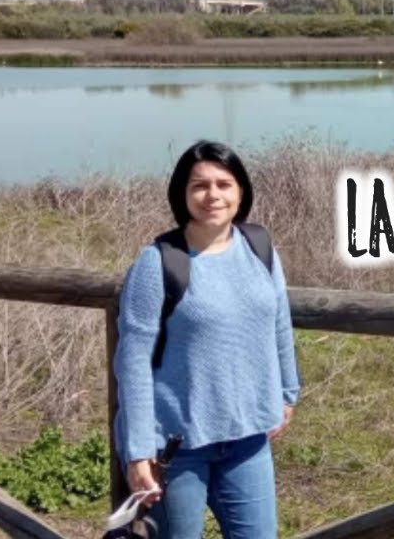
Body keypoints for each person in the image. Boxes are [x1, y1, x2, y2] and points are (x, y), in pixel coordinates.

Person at [113, 140, 300, 538]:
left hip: (248, 437)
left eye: (224, 184)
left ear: (241, 191)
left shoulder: (259, 246)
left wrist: (286, 392)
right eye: (199, 186)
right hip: (177, 446)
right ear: (182, 194)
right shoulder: (158, 261)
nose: (212, 195)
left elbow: (278, 321)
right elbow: (133, 362)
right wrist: (139, 450)